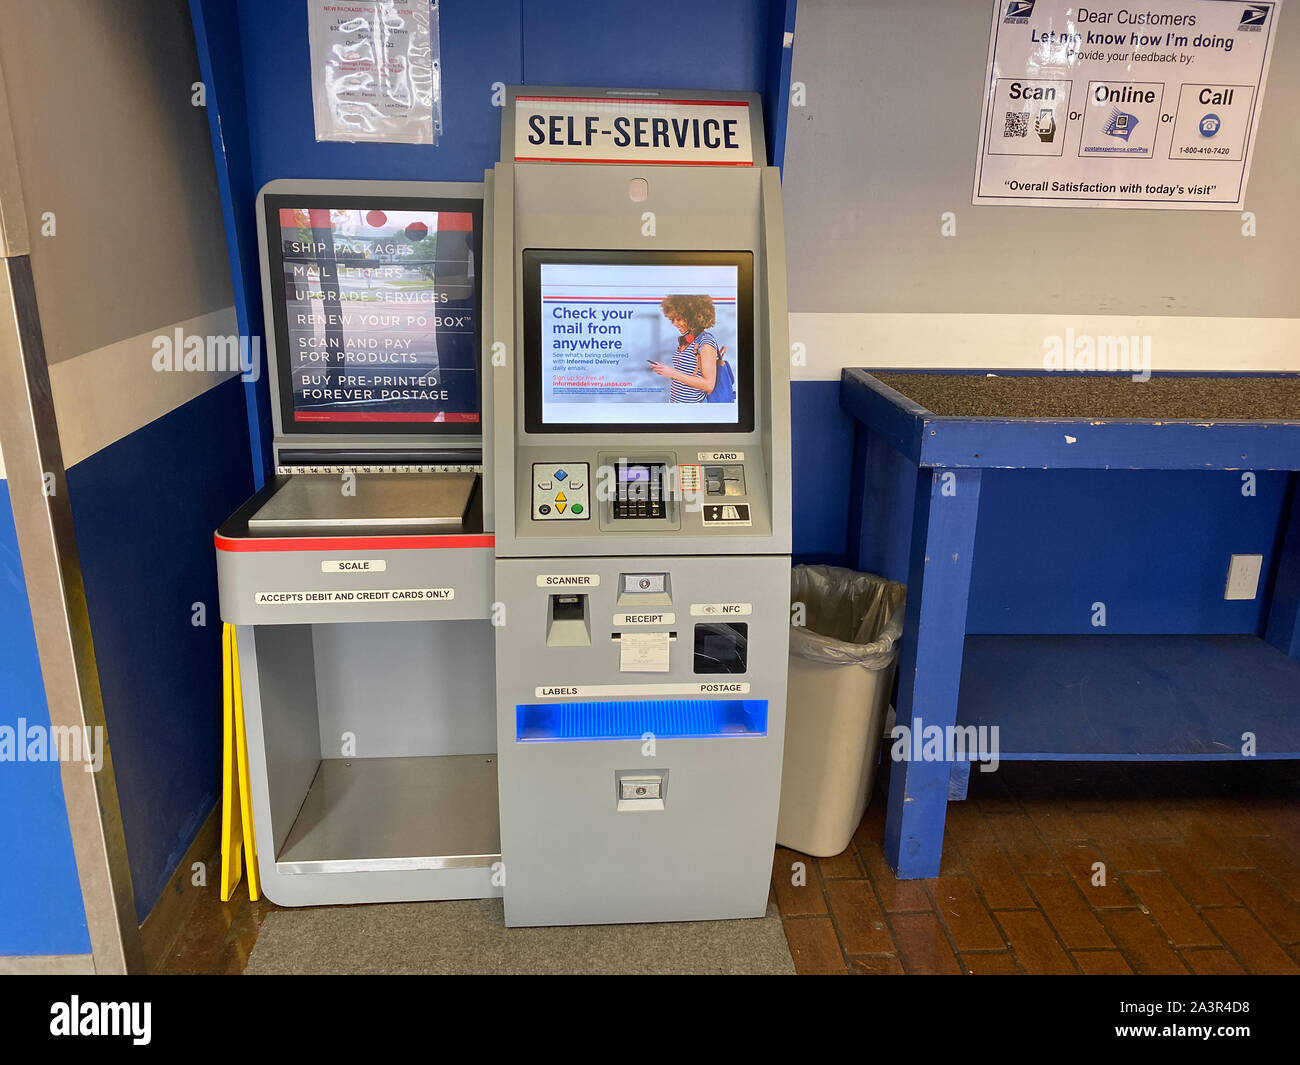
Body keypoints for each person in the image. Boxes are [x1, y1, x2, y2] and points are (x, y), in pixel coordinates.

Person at [649, 294, 723, 402]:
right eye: (672, 319)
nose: (674, 324)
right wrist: (664, 371)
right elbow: (686, 374)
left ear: (694, 316)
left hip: (693, 411)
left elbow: (708, 385)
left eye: (678, 319)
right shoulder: (687, 339)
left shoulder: (705, 342)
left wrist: (672, 373)